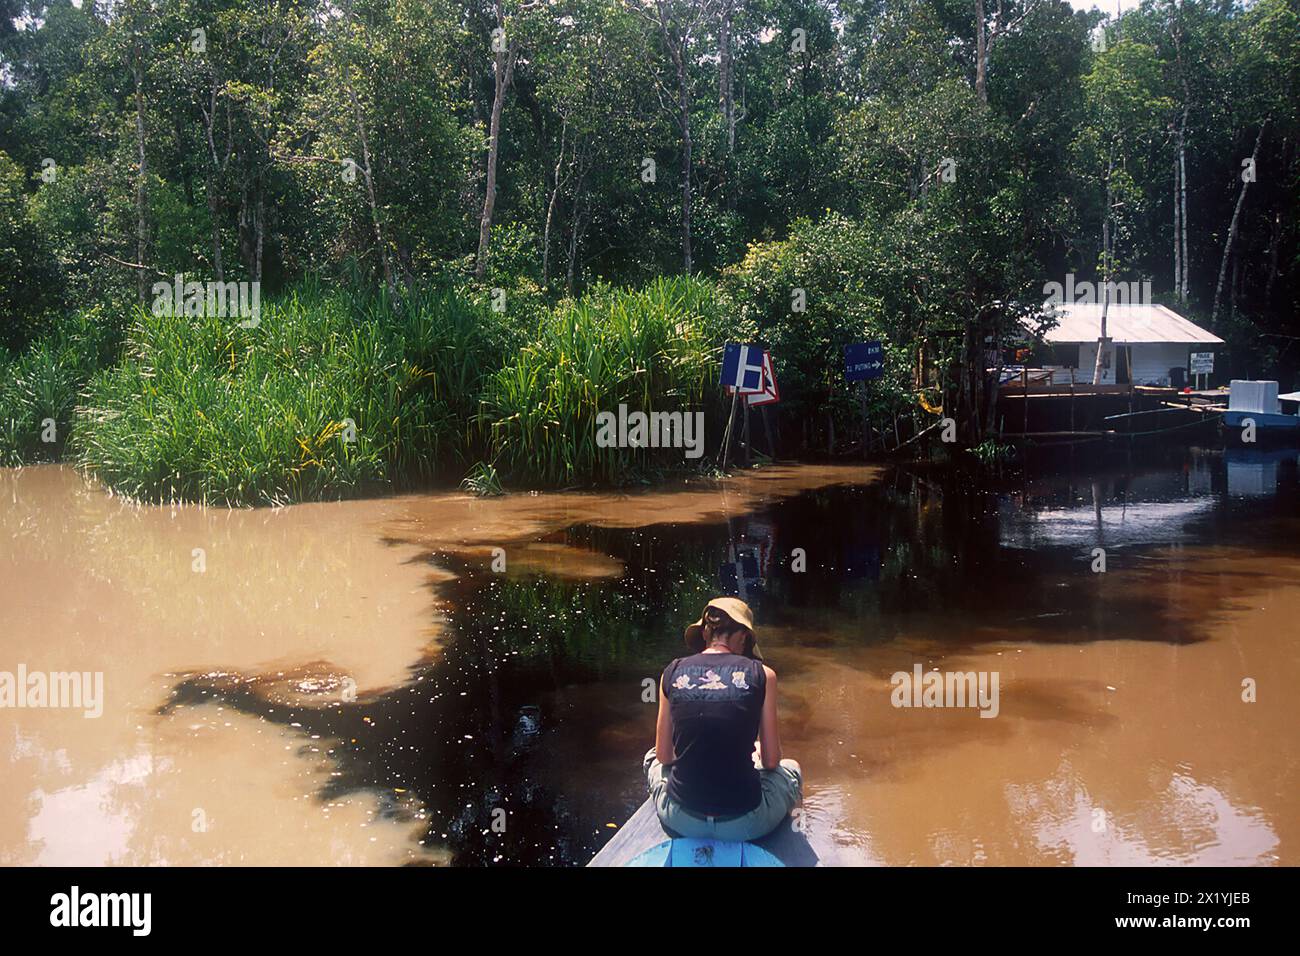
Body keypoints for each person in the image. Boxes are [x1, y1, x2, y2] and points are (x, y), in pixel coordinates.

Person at [643, 597, 803, 841]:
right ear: (743, 636)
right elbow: (771, 762)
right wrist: (754, 752)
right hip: (745, 824)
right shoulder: (764, 676)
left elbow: (665, 756)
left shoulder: (671, 671)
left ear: (705, 633)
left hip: (681, 819)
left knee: (652, 758)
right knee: (791, 770)